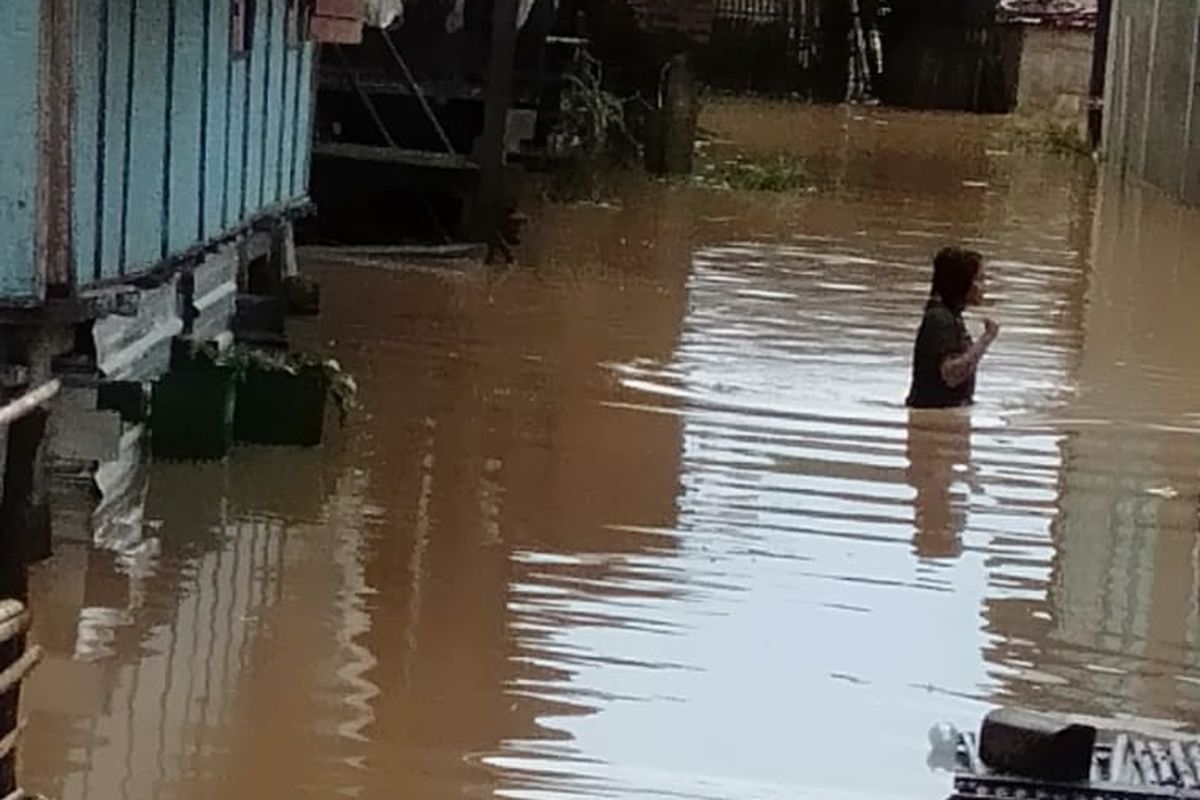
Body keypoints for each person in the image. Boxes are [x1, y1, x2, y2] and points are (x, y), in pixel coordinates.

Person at [906, 247, 999, 409]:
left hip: (941, 418)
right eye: (979, 279)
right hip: (935, 421)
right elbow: (951, 375)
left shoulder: (948, 316)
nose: (984, 286)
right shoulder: (940, 319)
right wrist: (986, 339)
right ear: (961, 281)